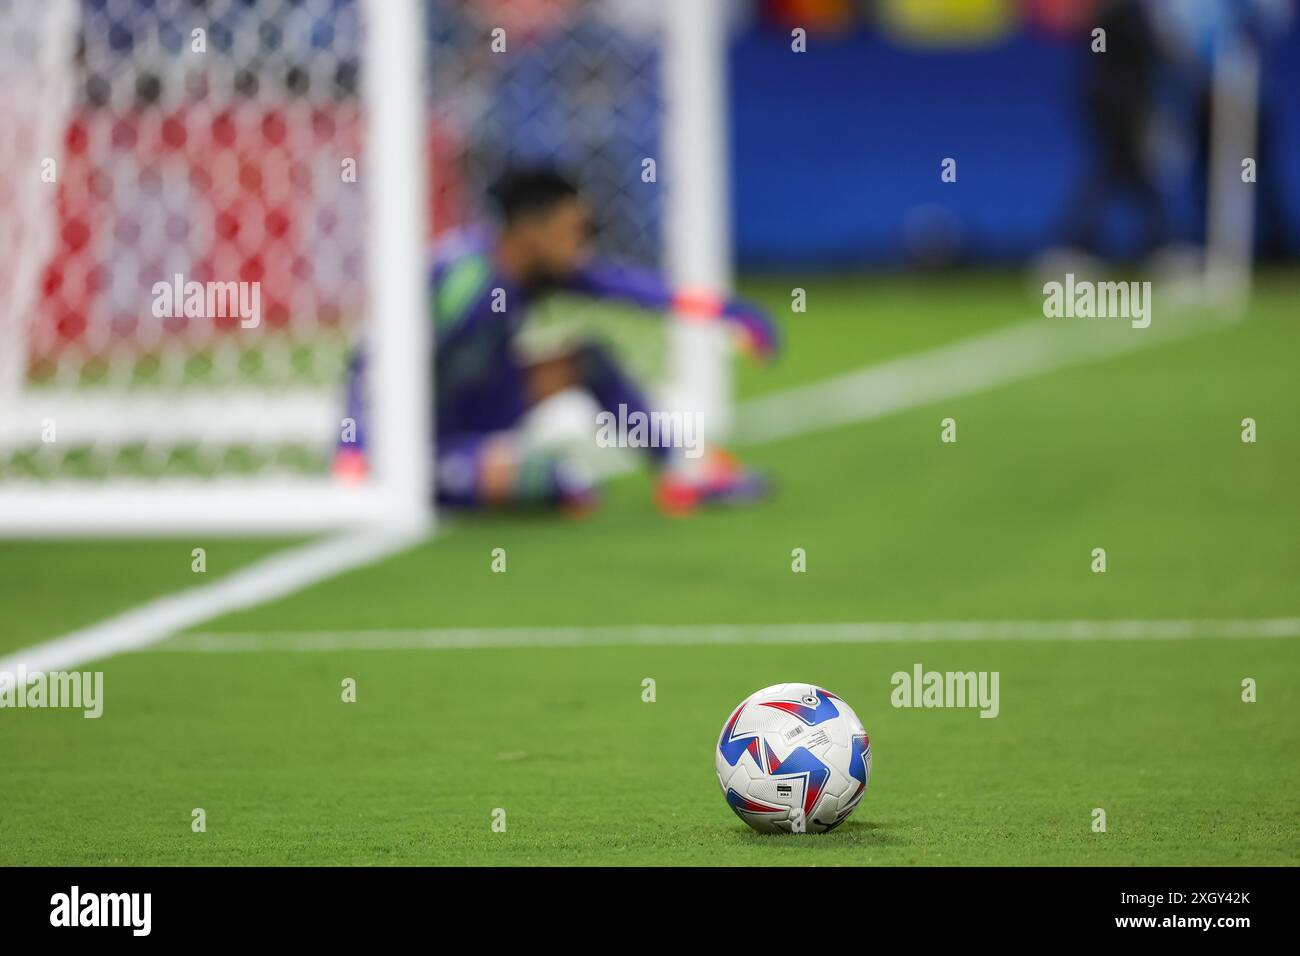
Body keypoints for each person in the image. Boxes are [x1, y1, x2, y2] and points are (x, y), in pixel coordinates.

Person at [335, 166, 778, 515]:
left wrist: (726, 312)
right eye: (572, 232)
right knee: (559, 485)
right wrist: (353, 451)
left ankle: (682, 472)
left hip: (482, 404)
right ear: (530, 230)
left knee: (587, 359)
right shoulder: (465, 282)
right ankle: (443, 471)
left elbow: (630, 288)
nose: (581, 247)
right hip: (415, 440)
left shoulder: (533, 268)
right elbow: (372, 365)